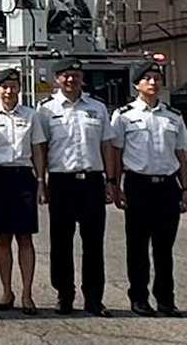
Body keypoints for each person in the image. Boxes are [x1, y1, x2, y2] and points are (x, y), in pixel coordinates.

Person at [36, 58, 116, 316]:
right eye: (65, 76)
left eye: (75, 75)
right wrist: (42, 181)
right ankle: (64, 295)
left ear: (82, 78)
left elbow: (107, 145)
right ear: (57, 79)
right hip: (61, 181)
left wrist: (111, 181)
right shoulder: (46, 110)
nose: (71, 80)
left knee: (93, 243)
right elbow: (42, 148)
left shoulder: (97, 108)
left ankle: (94, 299)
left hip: (92, 180)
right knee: (61, 243)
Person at [109, 62, 187, 317]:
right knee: (138, 246)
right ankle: (139, 298)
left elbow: (181, 154)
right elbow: (116, 152)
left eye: (157, 78)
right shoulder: (124, 115)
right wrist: (115, 185)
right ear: (136, 85)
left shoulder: (173, 116)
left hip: (167, 186)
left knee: (165, 248)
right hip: (138, 185)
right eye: (147, 79)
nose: (153, 83)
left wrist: (185, 187)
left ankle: (166, 300)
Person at [0, 68, 47, 315]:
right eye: (4, 87)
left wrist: (40, 182)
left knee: (25, 238)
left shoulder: (31, 116)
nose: (9, 91)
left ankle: (27, 294)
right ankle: (7, 291)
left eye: (14, 87)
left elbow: (38, 150)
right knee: (2, 239)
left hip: (24, 178)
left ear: (19, 89)